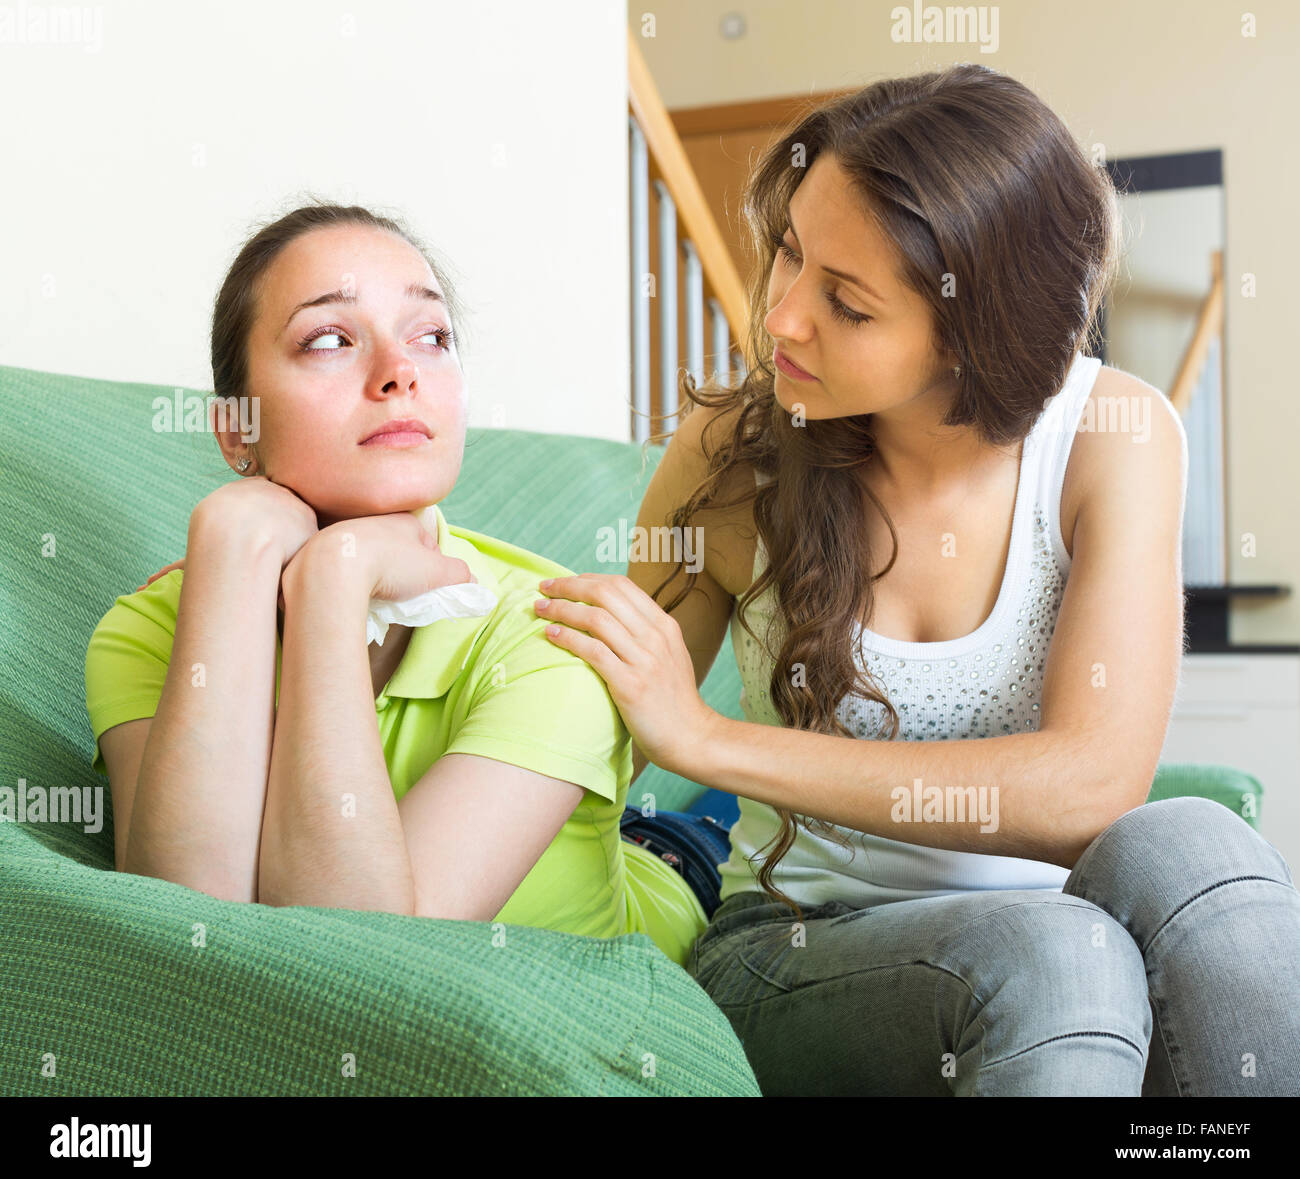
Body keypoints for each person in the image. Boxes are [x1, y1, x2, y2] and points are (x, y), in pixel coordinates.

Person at [531, 63, 1300, 1094]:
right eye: (790, 254)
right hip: (800, 948)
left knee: (1197, 846)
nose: (782, 319)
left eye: (846, 304)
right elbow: (590, 732)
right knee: (1062, 956)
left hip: (1073, 940)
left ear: (975, 333)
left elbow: (1090, 786)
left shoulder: (1110, 436)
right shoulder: (732, 452)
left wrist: (713, 739)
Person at [84, 203, 707, 967]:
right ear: (237, 429)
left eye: (432, 336)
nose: (399, 372)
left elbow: (368, 959)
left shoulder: (560, 630)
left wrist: (332, 580)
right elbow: (184, 933)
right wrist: (233, 546)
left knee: (699, 829)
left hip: (681, 877)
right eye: (329, 340)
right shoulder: (152, 629)